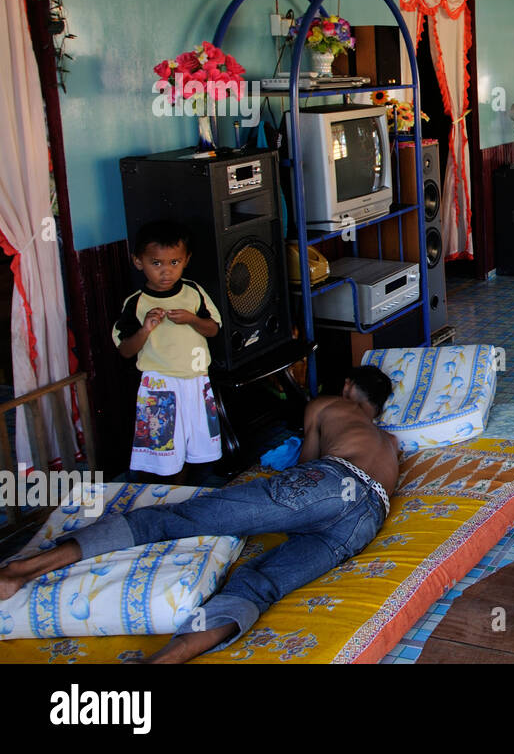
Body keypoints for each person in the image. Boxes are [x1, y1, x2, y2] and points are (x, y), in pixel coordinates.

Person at [0, 367, 397, 664]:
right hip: (366, 518)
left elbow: (306, 464)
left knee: (180, 518)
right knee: (259, 586)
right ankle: (165, 661)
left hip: (331, 482)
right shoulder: (391, 442)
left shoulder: (328, 404)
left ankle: (22, 570)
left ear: (348, 386)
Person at [115, 221, 222, 486]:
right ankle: (169, 495)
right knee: (165, 453)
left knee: (199, 450)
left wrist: (192, 319)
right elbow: (125, 350)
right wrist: (145, 330)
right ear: (139, 262)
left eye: (174, 263)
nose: (166, 271)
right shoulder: (136, 304)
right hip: (159, 386)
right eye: (156, 263)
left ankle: (191, 497)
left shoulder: (194, 292)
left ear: (186, 260)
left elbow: (213, 330)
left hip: (197, 382)